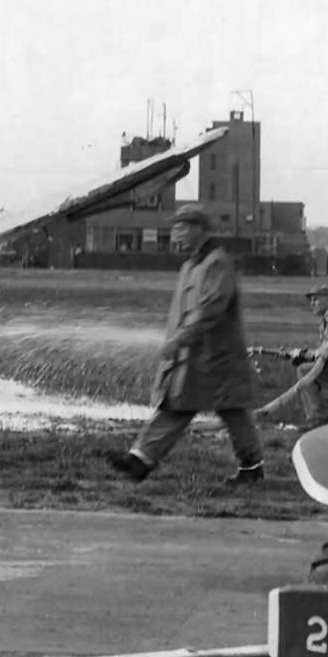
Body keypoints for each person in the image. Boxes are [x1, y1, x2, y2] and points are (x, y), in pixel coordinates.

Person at [104, 203, 265, 486]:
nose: (175, 235)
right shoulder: (191, 265)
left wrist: (179, 339)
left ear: (200, 230)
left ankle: (252, 468)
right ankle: (139, 460)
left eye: (181, 229)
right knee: (177, 405)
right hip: (196, 357)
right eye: (174, 229)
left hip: (218, 358)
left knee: (233, 412)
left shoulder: (215, 263)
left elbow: (210, 310)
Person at [254, 285, 328, 428]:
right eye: (311, 300)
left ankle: (317, 418)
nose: (312, 303)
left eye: (316, 299)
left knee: (304, 370)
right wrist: (307, 355)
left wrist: (314, 354)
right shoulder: (327, 320)